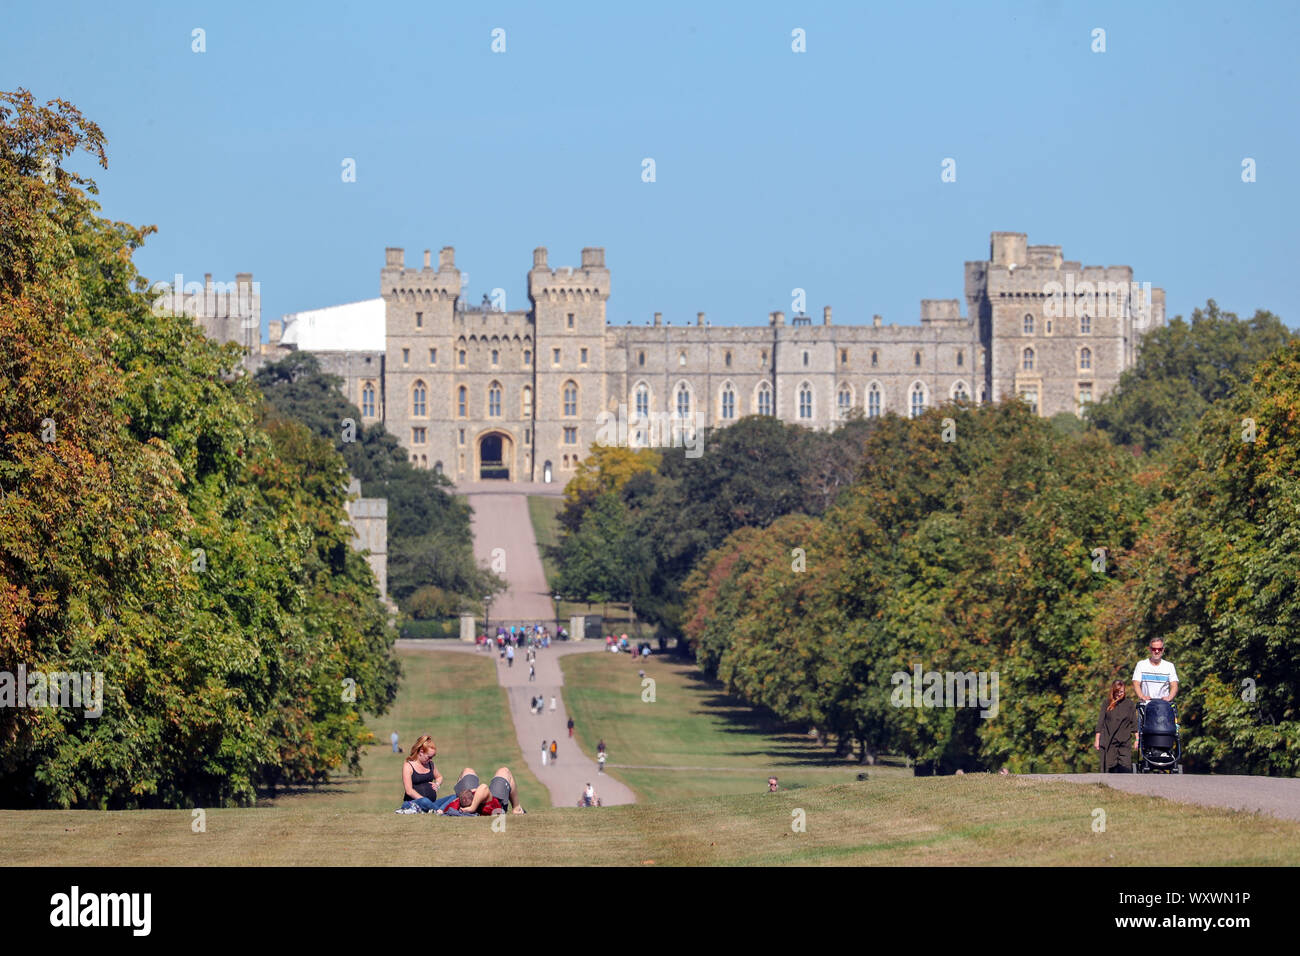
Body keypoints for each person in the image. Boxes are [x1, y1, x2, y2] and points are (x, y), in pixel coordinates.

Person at [442, 766, 525, 815]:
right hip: (494, 803)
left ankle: (517, 808)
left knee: (467, 771)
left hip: (467, 802)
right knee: (504, 771)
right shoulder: (490, 807)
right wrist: (472, 808)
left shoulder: (456, 805)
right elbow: (484, 787)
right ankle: (517, 808)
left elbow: (445, 809)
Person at [397, 735, 448, 813]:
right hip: (414, 803)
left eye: (432, 757)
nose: (431, 759)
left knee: (455, 796)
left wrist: (437, 784)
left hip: (432, 803)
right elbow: (409, 791)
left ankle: (435, 809)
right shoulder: (408, 765)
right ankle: (439, 810)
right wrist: (423, 800)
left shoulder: (430, 764)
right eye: (429, 757)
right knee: (424, 801)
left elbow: (439, 777)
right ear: (421, 752)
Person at [1095, 679, 1138, 772]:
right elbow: (1100, 722)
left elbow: (1134, 723)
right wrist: (1097, 739)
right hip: (1109, 742)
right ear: (1113, 691)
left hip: (1124, 742)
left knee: (1126, 768)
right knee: (1109, 768)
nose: (1119, 694)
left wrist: (1137, 739)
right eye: (1117, 692)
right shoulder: (1106, 703)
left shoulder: (1129, 704)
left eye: (1121, 692)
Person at [1132, 638, 1179, 704]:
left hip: (1163, 705)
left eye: (1159, 649)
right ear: (1150, 649)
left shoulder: (1169, 666)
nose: (1157, 651)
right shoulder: (1141, 665)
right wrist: (1142, 696)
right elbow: (1136, 684)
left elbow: (1174, 685)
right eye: (1154, 649)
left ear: (1163, 650)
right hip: (1146, 705)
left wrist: (1169, 698)